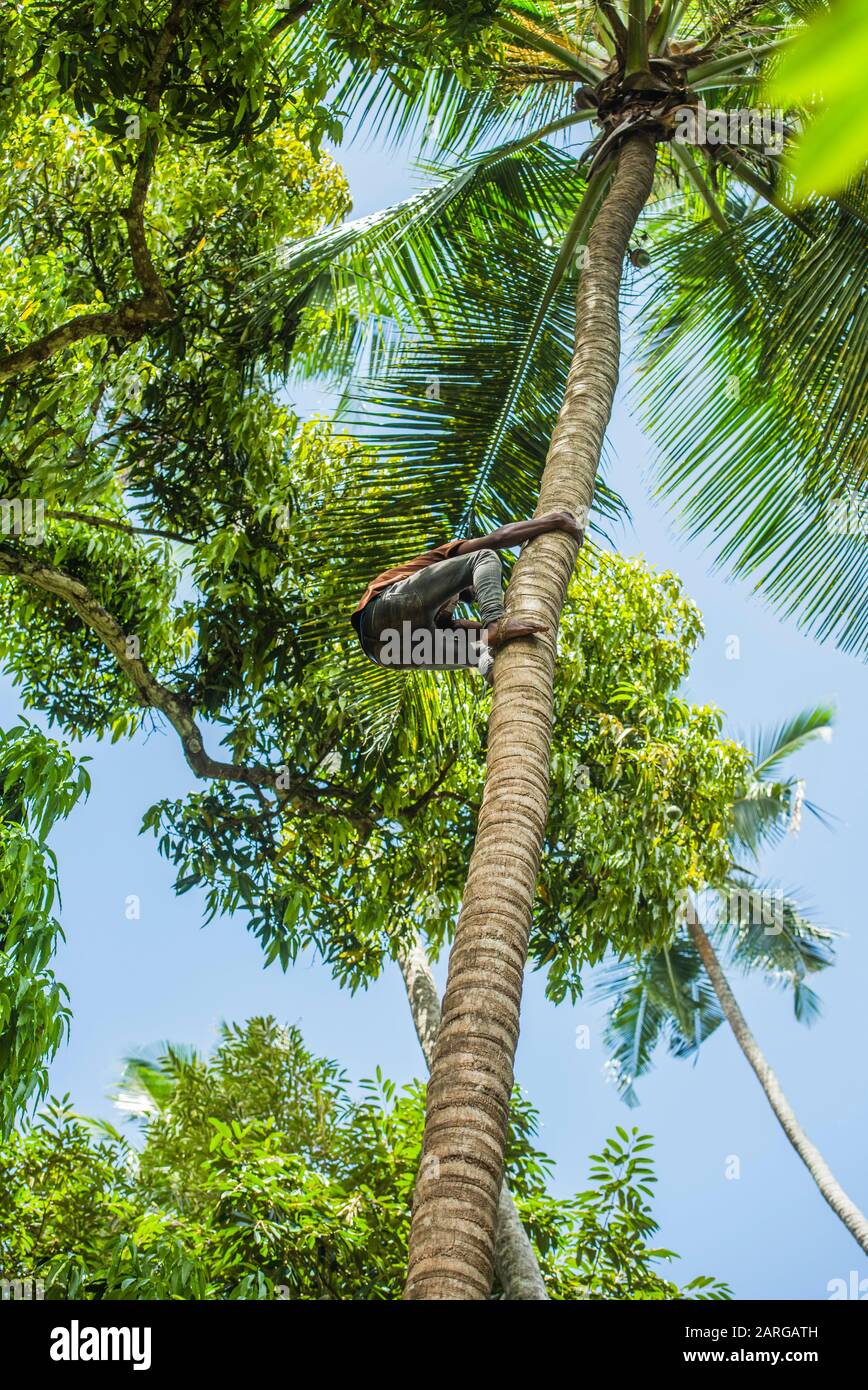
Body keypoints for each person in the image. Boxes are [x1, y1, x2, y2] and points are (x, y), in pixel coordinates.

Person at [350, 511, 583, 677]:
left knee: (480, 652)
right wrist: (553, 521)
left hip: (386, 653)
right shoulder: (443, 557)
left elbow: (473, 635)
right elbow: (497, 539)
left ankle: (493, 672)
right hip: (382, 607)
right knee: (485, 556)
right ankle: (495, 619)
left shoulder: (441, 617)